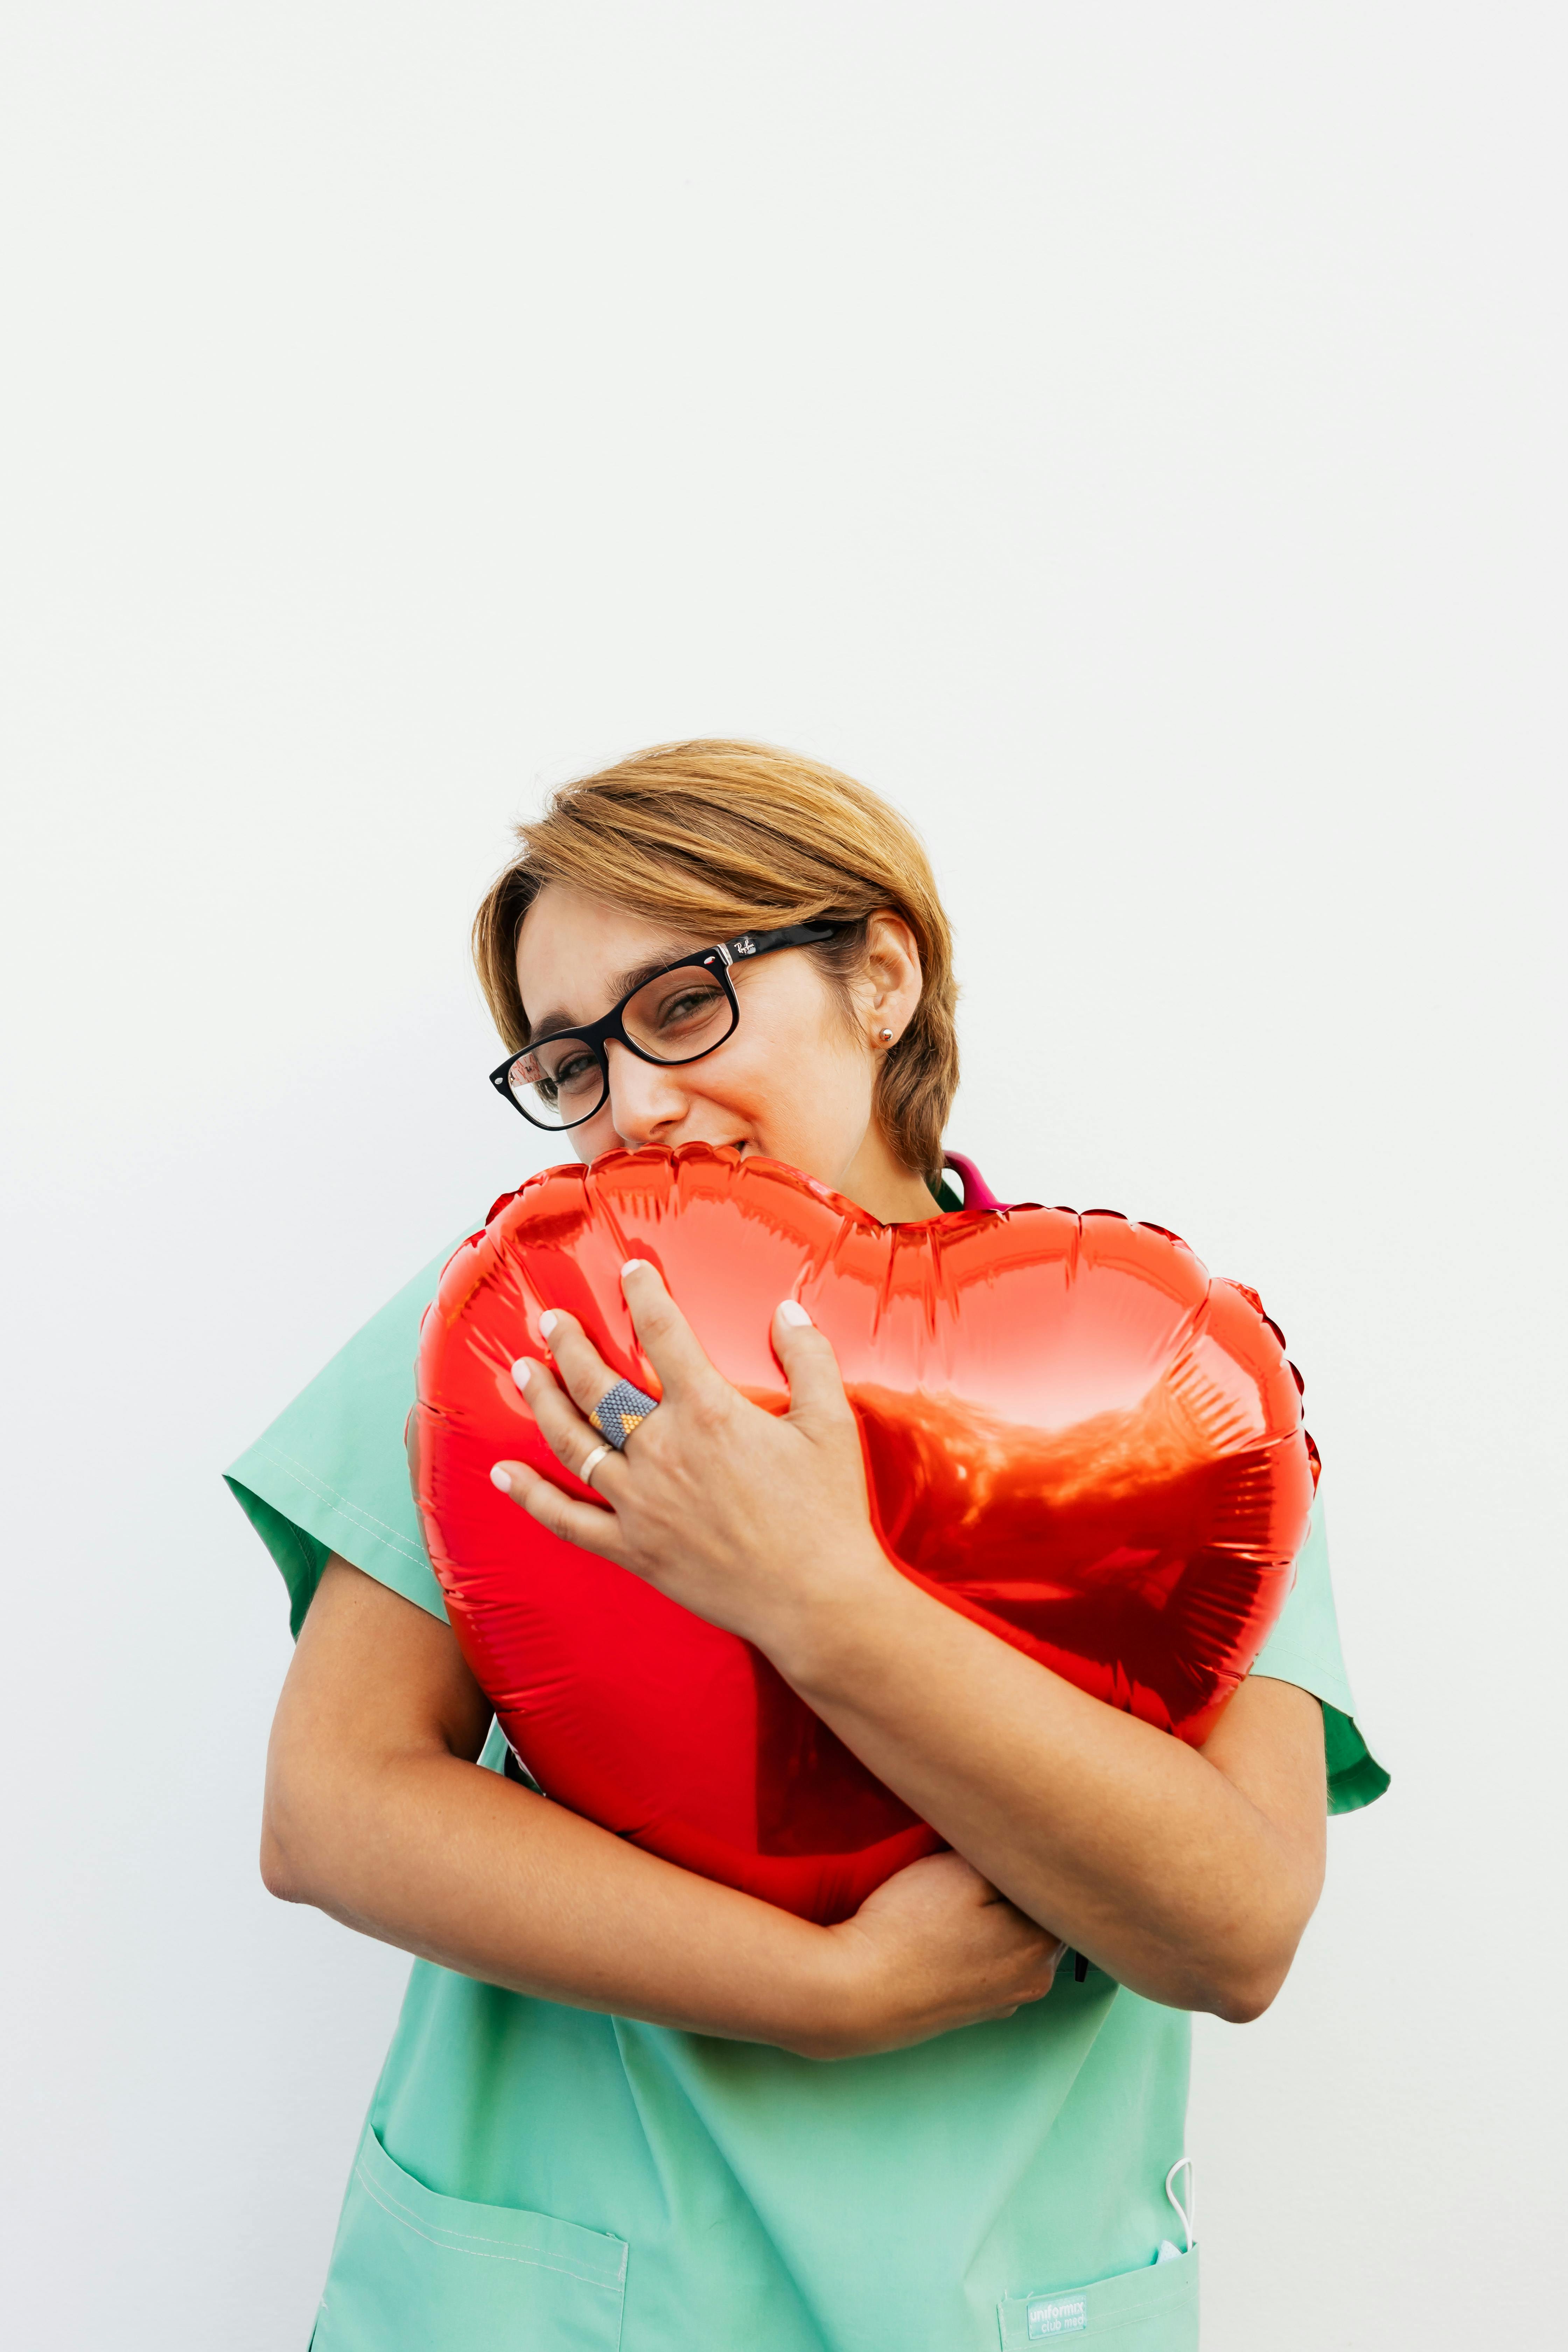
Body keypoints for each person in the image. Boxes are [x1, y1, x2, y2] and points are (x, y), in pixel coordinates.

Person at [229, 739, 1387, 2352]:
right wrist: (824, 1992)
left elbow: (1235, 1931)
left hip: (982, 2300)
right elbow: (333, 1810)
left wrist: (820, 1601)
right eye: (569, 1062)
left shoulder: (1145, 1387)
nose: (633, 1103)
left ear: (881, 977)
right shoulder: (516, 1331)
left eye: (680, 1005)